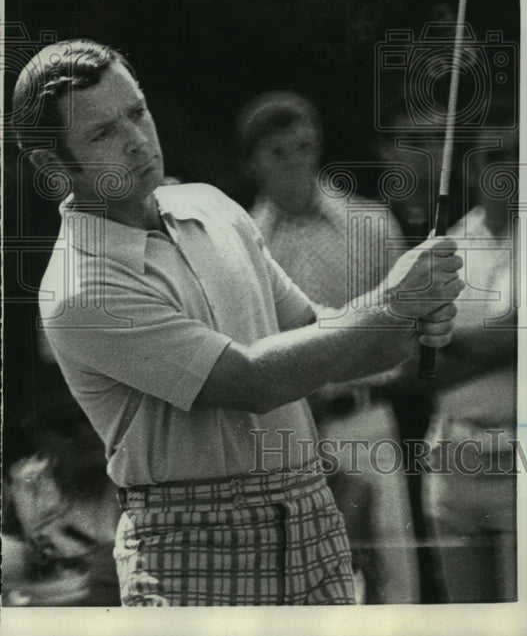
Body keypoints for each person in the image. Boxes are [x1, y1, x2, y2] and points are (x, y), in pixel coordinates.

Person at [11, 39, 464, 607]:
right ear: (52, 166)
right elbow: (254, 381)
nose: (136, 140)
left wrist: (413, 321)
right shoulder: (81, 288)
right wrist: (395, 304)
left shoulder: (212, 206)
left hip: (311, 519)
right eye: (103, 133)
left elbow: (320, 331)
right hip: (194, 547)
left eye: (137, 111)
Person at [235, 91, 417, 603]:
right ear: (252, 163)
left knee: (392, 576)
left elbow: (406, 329)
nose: (296, 161)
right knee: (302, 582)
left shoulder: (372, 224)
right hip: (287, 431)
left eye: (303, 146)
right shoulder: (243, 244)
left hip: (365, 420)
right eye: (278, 152)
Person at [420, 117, 519, 602]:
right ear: (473, 168)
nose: (506, 168)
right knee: (468, 620)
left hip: (523, 460)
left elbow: (524, 334)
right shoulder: (451, 242)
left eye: (517, 155)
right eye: (493, 157)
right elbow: (421, 359)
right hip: (454, 458)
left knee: (525, 618)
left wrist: (441, 334)